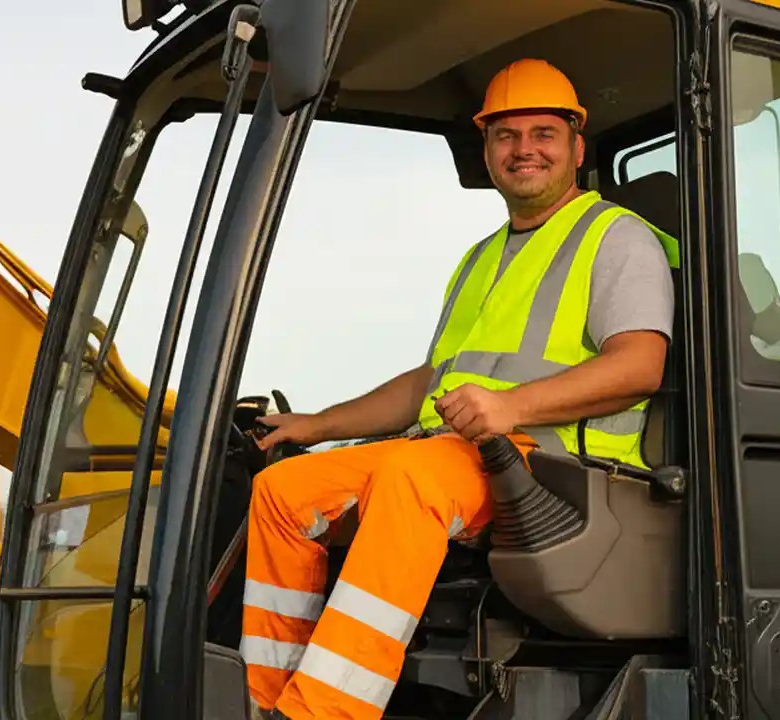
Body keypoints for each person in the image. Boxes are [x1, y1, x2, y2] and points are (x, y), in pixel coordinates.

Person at [242, 58, 677, 720]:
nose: (523, 149)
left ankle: (325, 711)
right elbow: (431, 382)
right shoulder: (480, 258)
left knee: (411, 478)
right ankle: (263, 701)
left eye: (543, 133)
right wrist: (319, 424)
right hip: (460, 455)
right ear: (488, 149)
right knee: (282, 492)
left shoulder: (616, 239)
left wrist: (509, 407)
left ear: (576, 146)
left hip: (559, 467)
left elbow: (640, 364)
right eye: (506, 135)